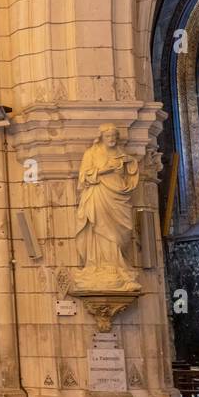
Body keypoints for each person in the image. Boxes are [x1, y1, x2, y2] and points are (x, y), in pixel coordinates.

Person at [73, 123, 142, 293]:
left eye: (114, 136)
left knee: (120, 231)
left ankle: (119, 266)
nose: (111, 139)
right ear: (101, 137)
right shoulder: (91, 153)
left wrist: (130, 162)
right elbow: (84, 176)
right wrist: (104, 171)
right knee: (100, 229)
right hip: (98, 194)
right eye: (108, 136)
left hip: (118, 196)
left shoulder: (121, 153)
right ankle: (100, 266)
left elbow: (132, 170)